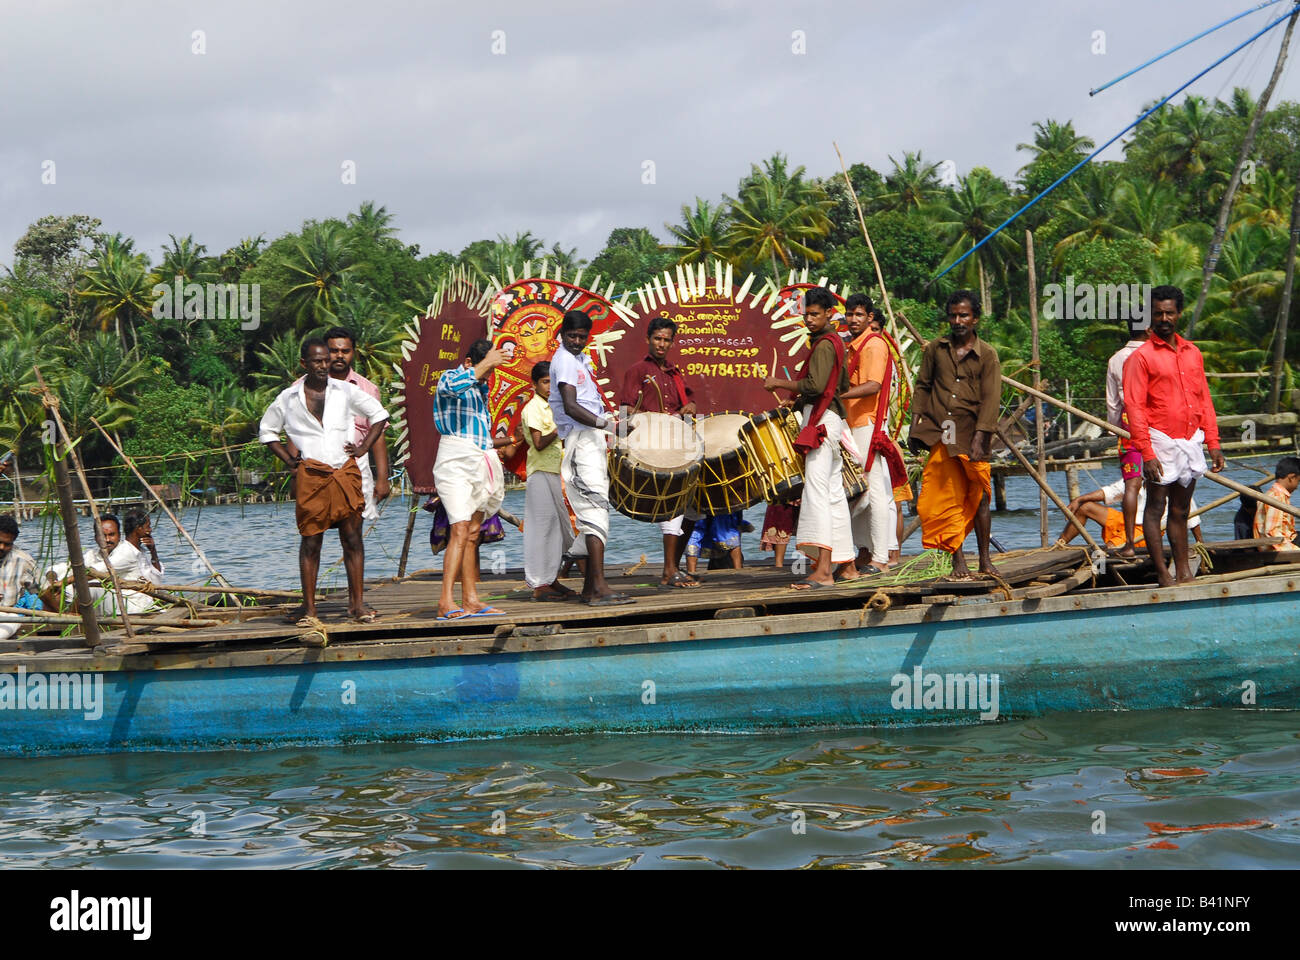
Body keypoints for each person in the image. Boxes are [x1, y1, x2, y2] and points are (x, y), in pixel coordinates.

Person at [260, 337, 390, 623]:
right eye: (317, 361)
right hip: (311, 475)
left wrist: (363, 448)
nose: (323, 366)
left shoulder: (344, 391)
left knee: (353, 539)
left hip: (344, 471)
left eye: (326, 361)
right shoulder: (289, 397)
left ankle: (357, 606)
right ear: (304, 363)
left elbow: (379, 415)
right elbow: (267, 431)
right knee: (310, 542)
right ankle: (309, 609)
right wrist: (288, 459)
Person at [1123, 285, 1225, 586]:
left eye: (1169, 312)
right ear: (1149, 316)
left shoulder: (1193, 353)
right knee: (1156, 507)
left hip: (1190, 440)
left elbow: (1204, 399)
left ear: (1179, 314)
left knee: (1181, 509)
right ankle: (1163, 574)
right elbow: (1134, 406)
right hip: (1159, 440)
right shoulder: (1141, 357)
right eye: (1157, 313)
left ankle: (1183, 572)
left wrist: (1214, 443)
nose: (1163, 318)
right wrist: (1147, 452)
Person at [763, 287, 857, 587]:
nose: (809, 320)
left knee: (817, 496)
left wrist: (780, 383)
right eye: (807, 314)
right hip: (832, 423)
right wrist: (798, 400)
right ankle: (849, 566)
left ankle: (824, 571)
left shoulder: (825, 345)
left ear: (829, 314)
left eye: (815, 314)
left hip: (821, 424)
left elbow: (816, 386)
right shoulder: (837, 343)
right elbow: (838, 384)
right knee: (833, 496)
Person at [909, 290, 1001, 580]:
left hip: (973, 432)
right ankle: (957, 560)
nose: (958, 321)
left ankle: (985, 560)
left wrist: (980, 436)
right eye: (953, 315)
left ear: (975, 318)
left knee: (980, 496)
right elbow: (923, 386)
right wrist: (915, 423)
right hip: (941, 431)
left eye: (964, 315)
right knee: (947, 497)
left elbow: (991, 398)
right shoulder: (936, 349)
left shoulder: (987, 355)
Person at [551, 309, 634, 606]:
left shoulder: (579, 360)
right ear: (562, 335)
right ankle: (598, 587)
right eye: (571, 336)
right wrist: (610, 425)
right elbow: (571, 407)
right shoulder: (563, 361)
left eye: (582, 337)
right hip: (579, 441)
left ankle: (590, 589)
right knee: (595, 512)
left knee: (594, 514)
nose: (576, 341)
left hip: (591, 440)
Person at [430, 338, 513, 619]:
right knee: (459, 528)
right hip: (454, 457)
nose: (489, 375)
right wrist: (487, 362)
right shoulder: (450, 377)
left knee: (474, 532)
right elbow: (451, 388)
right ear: (469, 363)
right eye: (486, 369)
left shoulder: (482, 386)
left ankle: (471, 600)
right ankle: (445, 601)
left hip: (480, 457)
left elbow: (482, 428)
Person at [618, 316, 700, 589]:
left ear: (672, 342)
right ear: (648, 339)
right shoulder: (637, 370)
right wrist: (649, 417)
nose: (662, 344)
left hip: (675, 443)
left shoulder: (675, 373)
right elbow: (624, 410)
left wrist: (689, 408)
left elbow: (688, 404)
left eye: (666, 340)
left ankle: (672, 567)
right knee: (672, 505)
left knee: (692, 508)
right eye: (657, 339)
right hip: (650, 446)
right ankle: (668, 571)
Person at [291, 327, 392, 524]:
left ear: (353, 352)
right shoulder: (300, 388)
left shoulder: (367, 389)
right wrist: (295, 475)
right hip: (314, 470)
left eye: (345, 351)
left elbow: (378, 435)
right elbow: (293, 433)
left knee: (353, 537)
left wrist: (382, 478)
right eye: (333, 351)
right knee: (312, 538)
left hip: (355, 469)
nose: (339, 356)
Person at [840, 295, 901, 573]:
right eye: (850, 314)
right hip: (852, 423)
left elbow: (873, 386)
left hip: (867, 423)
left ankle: (880, 557)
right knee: (855, 490)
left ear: (869, 317)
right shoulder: (850, 346)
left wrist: (835, 396)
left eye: (859, 315)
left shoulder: (874, 345)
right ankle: (864, 551)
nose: (853, 319)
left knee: (874, 491)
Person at [521, 361, 578, 601]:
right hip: (540, 472)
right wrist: (558, 427)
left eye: (552, 382)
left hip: (556, 471)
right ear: (534, 384)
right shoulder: (533, 408)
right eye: (545, 382)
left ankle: (550, 579)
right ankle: (539, 584)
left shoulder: (553, 406)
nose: (549, 387)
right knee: (541, 529)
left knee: (556, 529)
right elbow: (539, 443)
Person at [1105, 316, 1149, 557]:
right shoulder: (1157, 353)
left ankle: (1131, 544)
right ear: (1149, 328)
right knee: (1164, 483)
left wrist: (1116, 430)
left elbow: (1113, 402)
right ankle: (1162, 539)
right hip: (1156, 424)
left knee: (1132, 484)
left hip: (1128, 424)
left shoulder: (1116, 359)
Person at [1055, 478, 1203, 549]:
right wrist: (1079, 499)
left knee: (1110, 550)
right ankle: (1059, 545)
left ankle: (1100, 567)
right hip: (1124, 520)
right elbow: (1111, 491)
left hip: (1143, 531)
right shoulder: (1138, 477)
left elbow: (1192, 517)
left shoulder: (1173, 486)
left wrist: (1200, 543)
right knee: (1085, 507)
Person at [86, 508, 170, 615]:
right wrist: (65, 582)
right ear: (138, 529)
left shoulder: (139, 552)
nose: (150, 530)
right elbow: (94, 571)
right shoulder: (126, 553)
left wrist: (153, 551)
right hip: (133, 607)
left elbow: (156, 580)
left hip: (144, 602)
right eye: (147, 526)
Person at [0, 514, 38, 640]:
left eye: (7, 544)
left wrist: (61, 613)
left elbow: (39, 589)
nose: (2, 547)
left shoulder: (23, 560)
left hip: (8, 615)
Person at [1252, 456, 1300, 550]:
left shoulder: (1273, 494)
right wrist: (1295, 550)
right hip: (1274, 548)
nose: (1297, 486)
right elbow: (1272, 532)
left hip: (1287, 538)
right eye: (1298, 481)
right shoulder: (1276, 497)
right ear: (1291, 477)